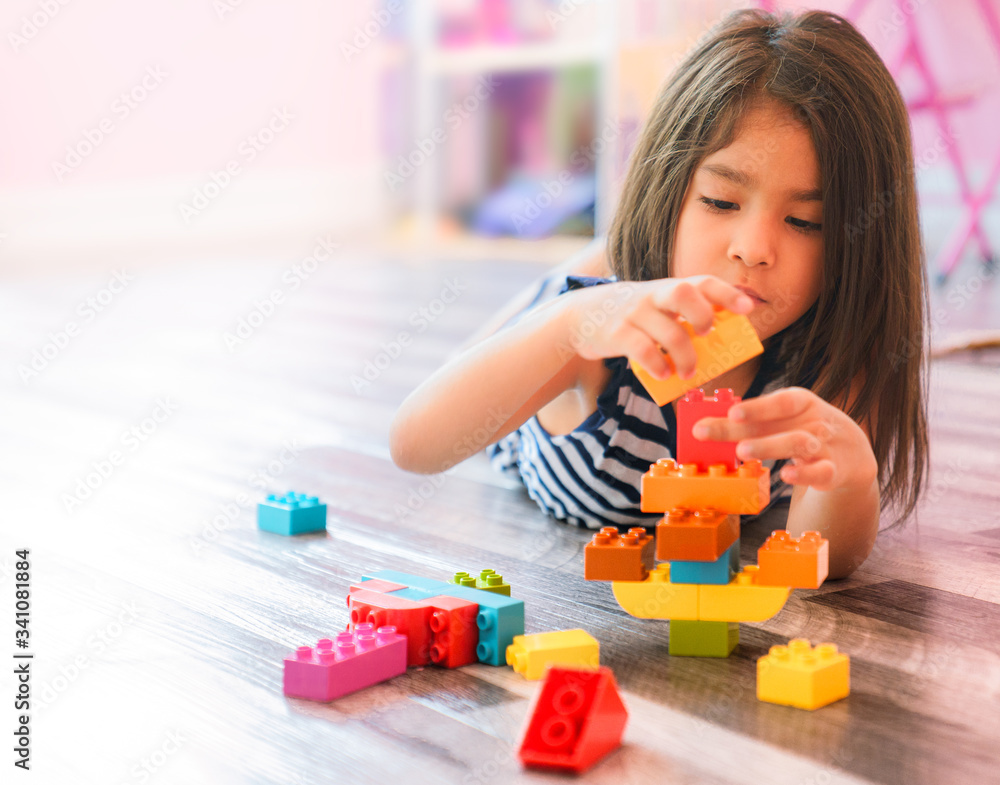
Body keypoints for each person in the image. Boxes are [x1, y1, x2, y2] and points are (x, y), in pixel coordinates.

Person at [390, 9, 929, 580]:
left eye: (805, 222)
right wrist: (573, 320)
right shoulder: (598, 333)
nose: (754, 249)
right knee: (549, 309)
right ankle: (593, 263)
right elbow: (416, 444)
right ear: (669, 188)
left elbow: (823, 557)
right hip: (579, 328)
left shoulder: (833, 350)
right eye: (721, 202)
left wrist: (850, 477)